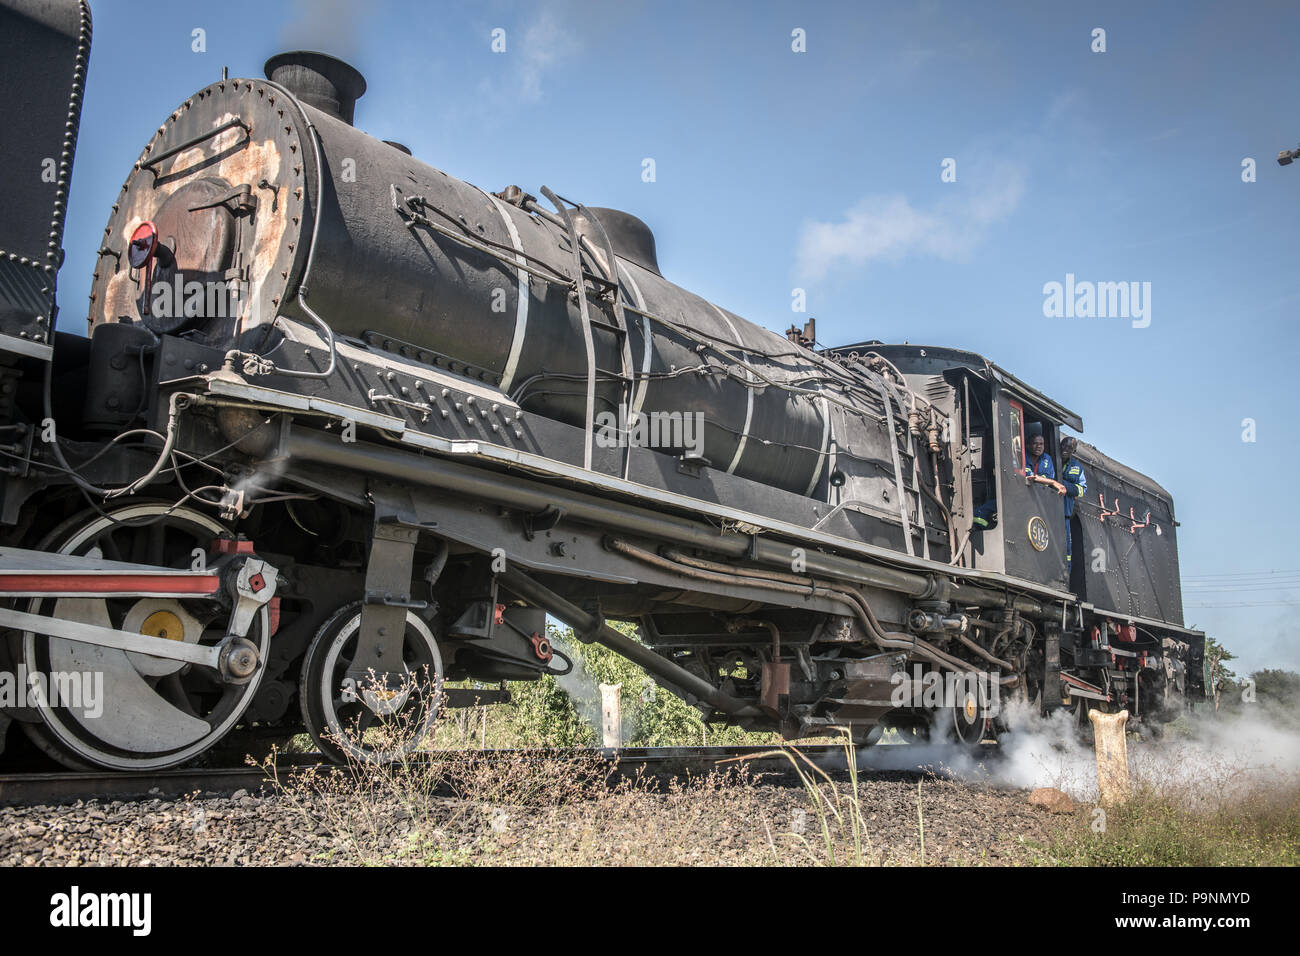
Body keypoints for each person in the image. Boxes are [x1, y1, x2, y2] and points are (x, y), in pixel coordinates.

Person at [1056, 436, 1087, 577]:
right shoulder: (1050, 458)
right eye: (1063, 446)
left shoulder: (1076, 467)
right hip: (1049, 508)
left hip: (1065, 512)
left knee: (1067, 550)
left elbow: (1082, 489)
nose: (1065, 450)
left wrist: (1066, 486)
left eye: (1069, 448)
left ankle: (1065, 577)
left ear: (1073, 451)